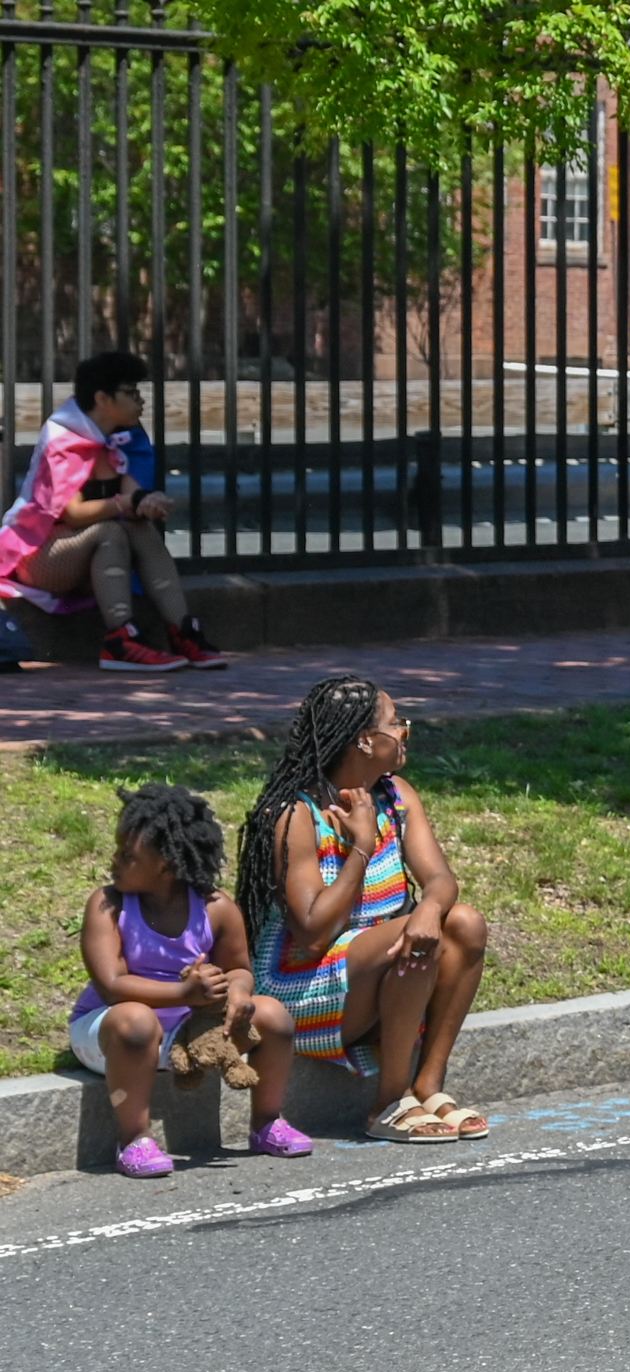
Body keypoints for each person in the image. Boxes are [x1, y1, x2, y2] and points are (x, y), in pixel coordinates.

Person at [239, 674, 494, 1144]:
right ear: (362, 740)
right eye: (396, 723)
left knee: (463, 923)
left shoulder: (396, 795)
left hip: (386, 973)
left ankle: (427, 1086)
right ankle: (387, 1102)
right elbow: (314, 931)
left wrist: (427, 910)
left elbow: (440, 880)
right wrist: (360, 845)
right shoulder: (294, 816)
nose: (405, 732)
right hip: (304, 991)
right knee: (411, 941)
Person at [70, 784, 311, 1177]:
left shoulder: (215, 909)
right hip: (111, 1035)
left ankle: (267, 1122)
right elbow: (111, 984)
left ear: (165, 865)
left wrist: (235, 993)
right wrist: (184, 992)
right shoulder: (109, 905)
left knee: (273, 1016)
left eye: (127, 856)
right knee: (136, 1020)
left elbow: (239, 969)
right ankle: (133, 1139)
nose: (114, 861)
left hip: (189, 1032)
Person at [0, 350, 220, 672]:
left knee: (138, 528)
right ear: (102, 398)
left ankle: (183, 630)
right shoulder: (63, 438)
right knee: (111, 529)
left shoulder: (127, 436)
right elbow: (72, 513)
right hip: (40, 555)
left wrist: (145, 502)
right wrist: (125, 504)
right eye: (131, 393)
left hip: (92, 553)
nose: (140, 401)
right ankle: (120, 639)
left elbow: (130, 498)